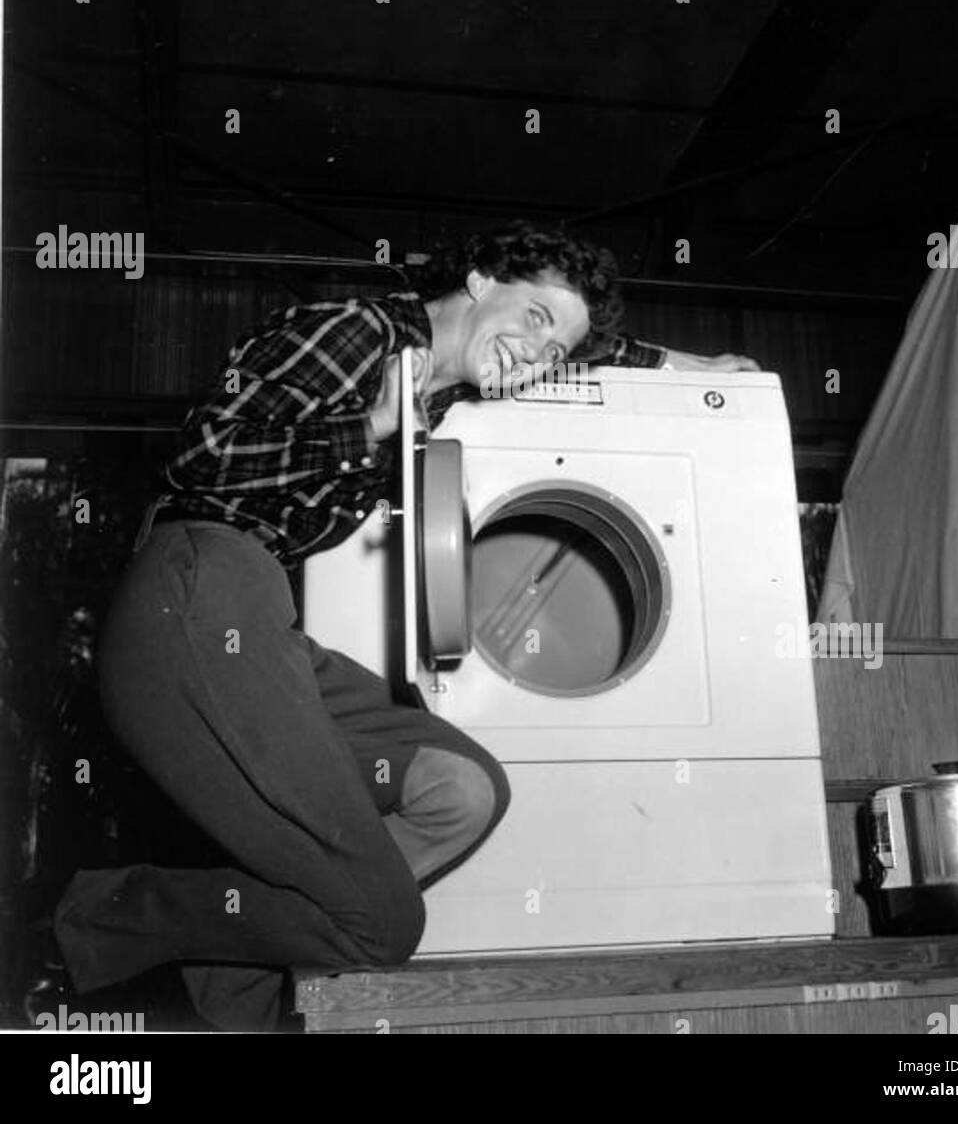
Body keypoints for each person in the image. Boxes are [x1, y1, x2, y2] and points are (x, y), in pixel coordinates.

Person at [46, 223, 758, 1031]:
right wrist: (371, 428)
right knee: (382, 924)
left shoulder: (453, 381)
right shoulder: (362, 332)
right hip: (197, 585)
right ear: (482, 280)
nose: (540, 352)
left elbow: (603, 348)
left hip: (262, 609)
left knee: (461, 789)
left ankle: (236, 979)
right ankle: (101, 915)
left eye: (557, 345)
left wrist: (693, 368)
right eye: (533, 319)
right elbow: (201, 456)